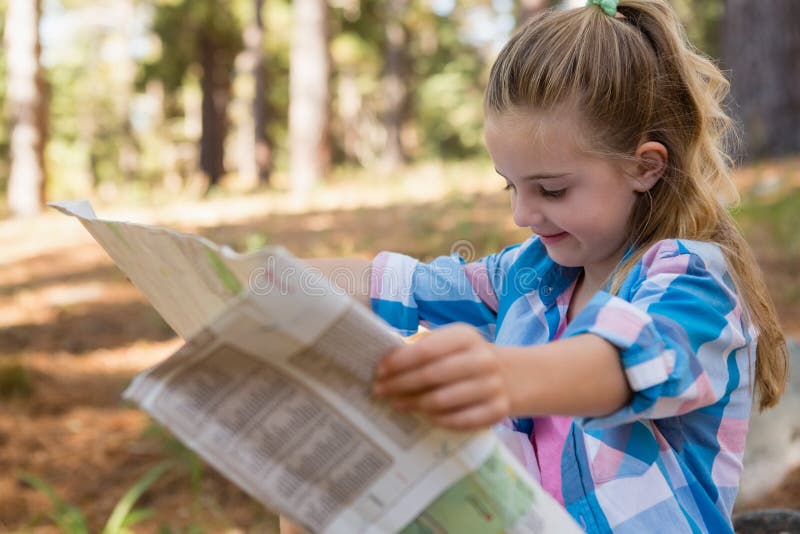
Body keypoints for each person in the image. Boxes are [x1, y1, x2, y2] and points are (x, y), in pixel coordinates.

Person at [286, 0, 789, 532]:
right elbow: (396, 284)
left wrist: (500, 376)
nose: (522, 214)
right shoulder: (529, 278)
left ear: (644, 167)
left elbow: (624, 364)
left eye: (551, 189)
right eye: (511, 184)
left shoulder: (692, 282)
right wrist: (262, 280)